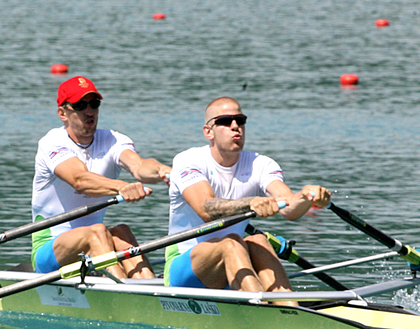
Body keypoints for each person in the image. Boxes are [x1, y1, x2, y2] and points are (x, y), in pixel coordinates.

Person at [164, 97, 331, 294]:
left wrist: (305, 196)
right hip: (184, 266)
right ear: (208, 132)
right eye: (225, 121)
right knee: (232, 242)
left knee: (259, 241)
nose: (235, 126)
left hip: (234, 264)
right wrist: (250, 202)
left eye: (240, 120)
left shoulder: (261, 164)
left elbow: (289, 209)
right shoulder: (188, 160)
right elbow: (206, 209)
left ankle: (287, 308)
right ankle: (259, 309)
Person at [31, 76, 171, 280]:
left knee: (121, 232)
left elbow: (139, 166)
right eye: (80, 105)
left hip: (95, 244)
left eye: (94, 104)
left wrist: (166, 171)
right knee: (96, 231)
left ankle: (151, 291)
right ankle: (120, 290)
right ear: (63, 113)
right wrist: (122, 187)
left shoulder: (113, 140)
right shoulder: (52, 142)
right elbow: (80, 180)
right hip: (50, 249)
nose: (89, 111)